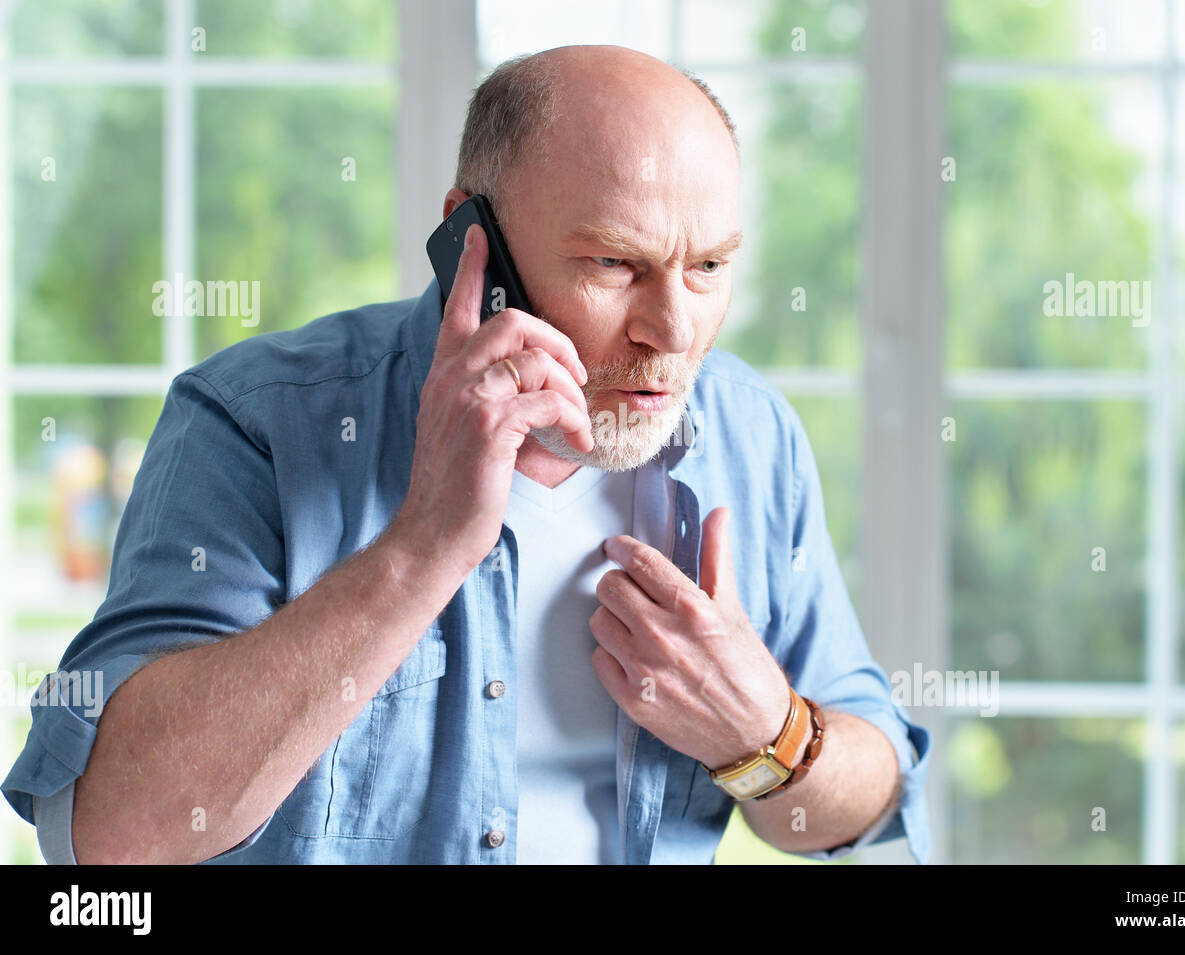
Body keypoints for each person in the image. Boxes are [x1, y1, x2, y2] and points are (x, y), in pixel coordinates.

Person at [2, 44, 930, 865]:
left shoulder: (751, 435)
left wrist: (768, 733)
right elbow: (112, 837)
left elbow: (874, 797)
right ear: (471, 240)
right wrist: (422, 546)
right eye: (614, 264)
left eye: (709, 268)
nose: (673, 331)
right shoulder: (253, 421)